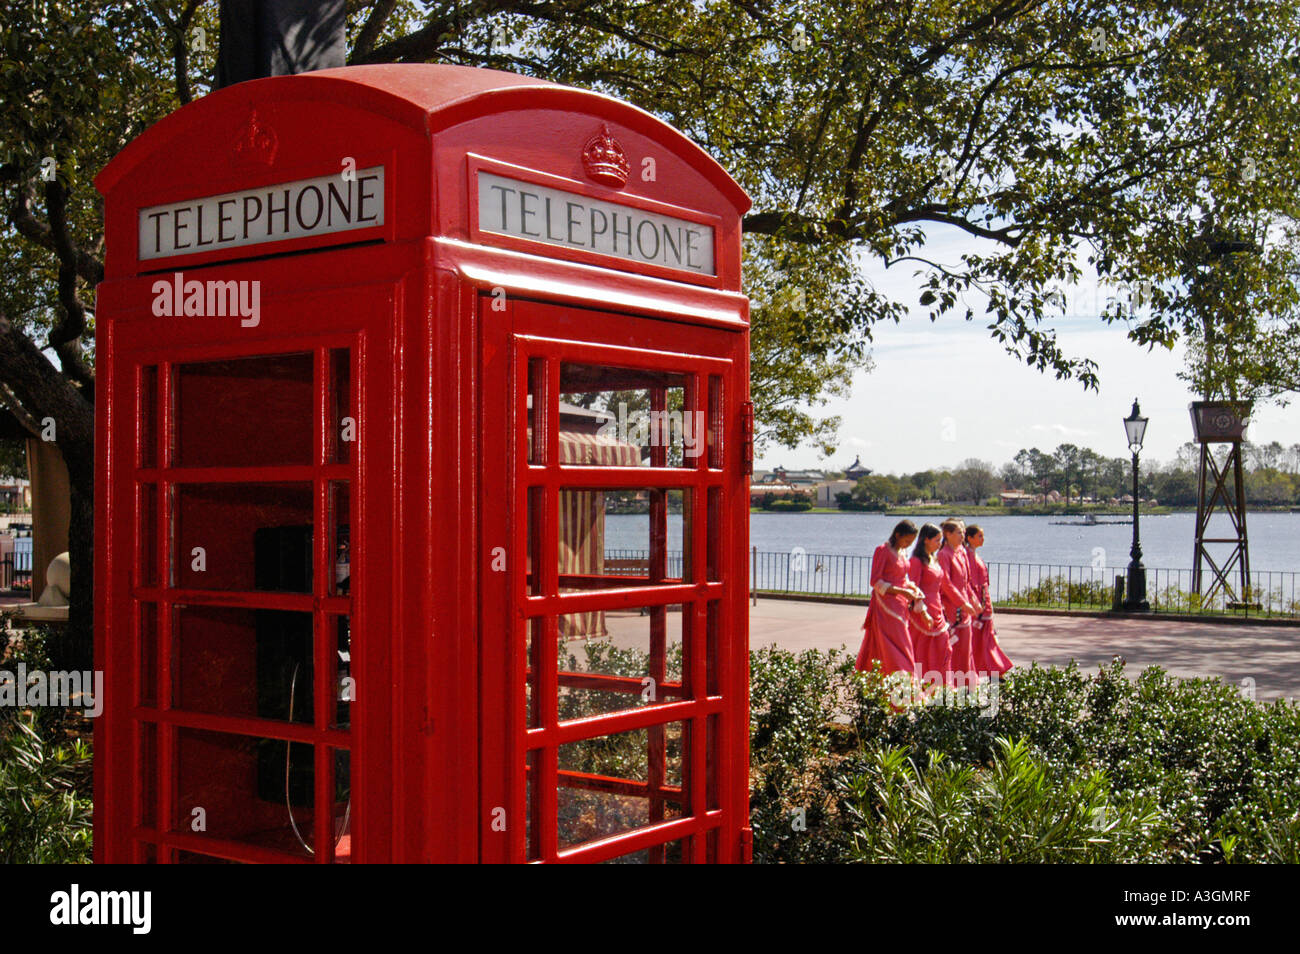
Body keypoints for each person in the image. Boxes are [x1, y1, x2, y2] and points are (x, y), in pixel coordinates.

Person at [856, 520, 924, 679]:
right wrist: (902, 591)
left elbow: (901, 578)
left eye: (911, 542)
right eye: (906, 541)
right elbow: (875, 581)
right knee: (896, 645)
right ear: (897, 535)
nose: (908, 545)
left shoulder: (902, 552)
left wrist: (913, 588)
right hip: (886, 605)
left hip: (900, 605)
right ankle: (902, 678)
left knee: (902, 643)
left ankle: (901, 679)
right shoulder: (882, 550)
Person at [935, 518, 982, 687]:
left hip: (963, 610)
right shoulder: (944, 555)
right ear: (947, 534)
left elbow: (966, 582)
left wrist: (973, 600)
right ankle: (954, 687)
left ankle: (967, 686)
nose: (963, 535)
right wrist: (962, 603)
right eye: (959, 532)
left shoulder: (960, 552)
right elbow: (946, 583)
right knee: (955, 650)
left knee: (966, 650)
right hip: (951, 609)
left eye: (963, 532)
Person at [907, 523, 952, 690]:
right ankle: (922, 689)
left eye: (941, 540)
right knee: (924, 652)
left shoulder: (934, 558)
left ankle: (939, 688)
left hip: (937, 609)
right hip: (923, 612)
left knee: (943, 649)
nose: (940, 543)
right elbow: (913, 588)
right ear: (926, 540)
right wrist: (923, 611)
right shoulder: (916, 561)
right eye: (937, 540)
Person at [964, 524, 1013, 677]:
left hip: (984, 598)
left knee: (986, 635)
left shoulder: (973, 555)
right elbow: (970, 581)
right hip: (978, 600)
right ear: (970, 538)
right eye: (979, 536)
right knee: (982, 635)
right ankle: (995, 668)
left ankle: (992, 668)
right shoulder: (968, 556)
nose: (983, 539)